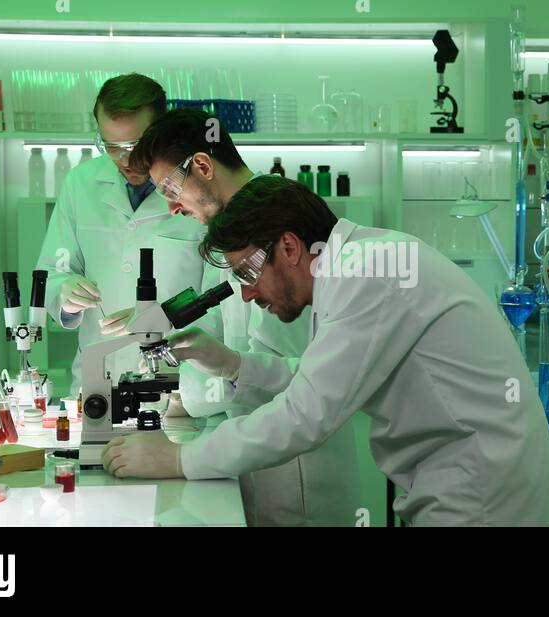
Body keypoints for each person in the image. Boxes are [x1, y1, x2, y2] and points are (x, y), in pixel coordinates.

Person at [102, 175, 549, 526]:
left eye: (247, 273)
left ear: (289, 248)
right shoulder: (355, 265)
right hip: (470, 490)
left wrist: (178, 459)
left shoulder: (364, 274)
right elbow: (320, 376)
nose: (246, 294)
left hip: (488, 503)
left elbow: (305, 415)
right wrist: (233, 364)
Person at [108, 109, 360, 526]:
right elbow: (229, 345)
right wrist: (191, 376)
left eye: (171, 187)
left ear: (203, 166)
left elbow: (300, 389)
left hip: (300, 485)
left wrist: (178, 454)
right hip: (257, 465)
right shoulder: (229, 234)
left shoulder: (276, 229)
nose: (172, 207)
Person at [36, 74, 218, 395]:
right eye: (111, 146)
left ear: (162, 132)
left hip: (180, 385)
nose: (124, 159)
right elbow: (52, 271)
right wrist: (65, 294)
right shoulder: (81, 184)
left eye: (135, 145)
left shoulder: (198, 190)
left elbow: (218, 297)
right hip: (97, 380)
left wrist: (163, 317)